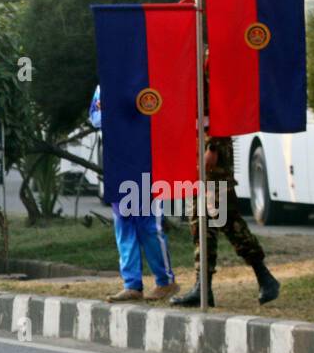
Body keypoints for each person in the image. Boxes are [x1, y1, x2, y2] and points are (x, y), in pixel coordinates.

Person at [89, 84, 178, 302]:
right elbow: (95, 118)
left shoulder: (148, 78)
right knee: (124, 225)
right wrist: (112, 111)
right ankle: (132, 285)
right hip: (118, 164)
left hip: (146, 162)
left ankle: (165, 282)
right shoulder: (105, 84)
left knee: (149, 226)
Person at [170, 134, 280, 306]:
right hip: (194, 146)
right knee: (200, 222)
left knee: (225, 218)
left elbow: (222, 112)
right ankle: (202, 287)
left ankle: (264, 275)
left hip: (214, 153)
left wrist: (212, 147)